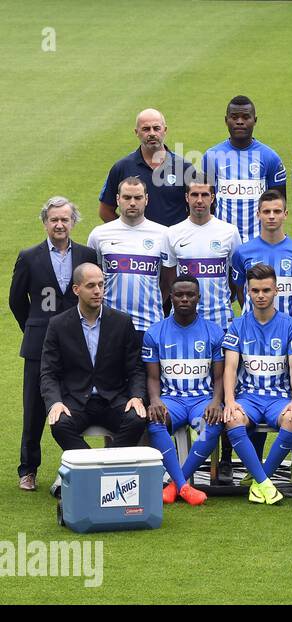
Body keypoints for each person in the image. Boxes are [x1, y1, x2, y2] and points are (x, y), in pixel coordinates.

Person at [10, 197, 97, 490]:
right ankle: (28, 468)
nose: (59, 225)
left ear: (73, 222)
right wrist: (34, 327)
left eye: (65, 219)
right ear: (45, 222)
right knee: (34, 407)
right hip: (38, 344)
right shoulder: (29, 256)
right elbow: (16, 300)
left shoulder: (87, 254)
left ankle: (74, 463)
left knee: (74, 402)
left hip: (76, 344)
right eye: (54, 220)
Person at [40, 261, 146, 483]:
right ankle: (100, 473)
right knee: (59, 424)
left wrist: (137, 396)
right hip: (77, 401)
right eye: (90, 286)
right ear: (76, 289)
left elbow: (135, 367)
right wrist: (55, 402)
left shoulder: (122, 322)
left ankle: (95, 472)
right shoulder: (58, 325)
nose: (98, 291)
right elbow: (49, 372)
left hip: (113, 399)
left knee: (137, 419)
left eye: (101, 284)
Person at [220, 263, 292, 505]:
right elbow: (229, 367)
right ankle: (265, 483)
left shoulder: (291, 325)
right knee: (232, 418)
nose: (261, 295)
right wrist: (229, 401)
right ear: (247, 291)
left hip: (279, 397)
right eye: (255, 290)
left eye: (266, 290)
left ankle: (262, 480)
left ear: (276, 290)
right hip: (248, 397)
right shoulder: (238, 325)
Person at [142, 275, 225, 506]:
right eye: (179, 295)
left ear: (199, 297)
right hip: (172, 402)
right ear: (171, 296)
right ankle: (184, 486)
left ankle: (175, 485)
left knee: (211, 427)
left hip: (201, 402)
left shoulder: (213, 332)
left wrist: (216, 402)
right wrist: (155, 399)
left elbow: (219, 377)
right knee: (155, 420)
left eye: (190, 295)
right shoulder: (155, 333)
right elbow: (152, 377)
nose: (185, 299)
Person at [85, 177, 176, 333]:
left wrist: (154, 302)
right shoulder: (99, 235)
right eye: (127, 197)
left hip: (150, 325)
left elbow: (169, 280)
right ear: (118, 199)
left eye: (138, 197)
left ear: (146, 199)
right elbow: (92, 279)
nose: (132, 202)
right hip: (109, 326)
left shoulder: (164, 234)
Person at [201, 95, 288, 242]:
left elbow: (278, 203)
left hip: (259, 241)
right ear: (226, 120)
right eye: (234, 117)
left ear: (255, 120)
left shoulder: (270, 157)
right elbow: (206, 201)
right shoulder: (211, 156)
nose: (239, 122)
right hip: (221, 241)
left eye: (245, 117)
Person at [166, 173, 242, 327]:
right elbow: (169, 277)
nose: (199, 200)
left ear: (212, 198)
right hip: (183, 319)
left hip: (220, 317)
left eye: (204, 195)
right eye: (194, 195)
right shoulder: (172, 232)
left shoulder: (230, 232)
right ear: (187, 197)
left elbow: (236, 276)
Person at [99, 109, 194, 226]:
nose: (152, 133)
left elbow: (197, 209)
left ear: (165, 130)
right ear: (136, 132)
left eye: (156, 128)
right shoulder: (122, 167)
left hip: (173, 241)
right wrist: (126, 232)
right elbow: (105, 211)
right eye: (146, 129)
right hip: (136, 243)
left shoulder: (184, 167)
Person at [230, 190, 292, 318]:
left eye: (277, 211)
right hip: (253, 330)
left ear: (285, 214)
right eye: (266, 211)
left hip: (289, 330)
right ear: (258, 214)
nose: (271, 216)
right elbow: (240, 292)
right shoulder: (242, 252)